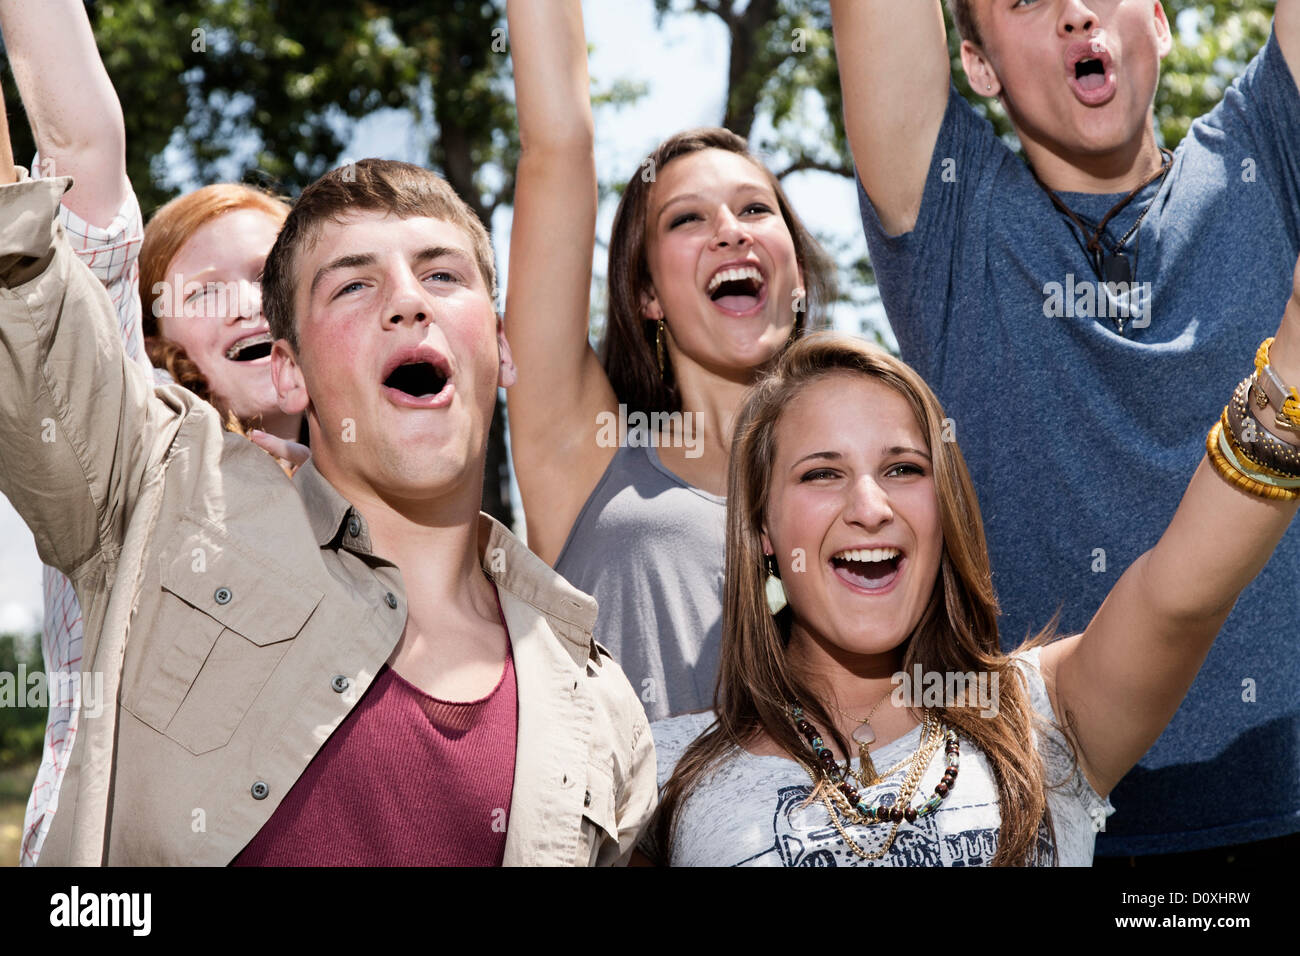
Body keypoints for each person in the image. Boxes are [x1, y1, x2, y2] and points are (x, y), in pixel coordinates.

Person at [0, 69, 655, 864]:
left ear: (502, 346)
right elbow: (20, 266)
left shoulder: (599, 703)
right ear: (289, 370)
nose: (409, 302)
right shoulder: (154, 489)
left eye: (443, 274)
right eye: (353, 285)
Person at [830, 0, 1300, 860]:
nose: (1077, 13)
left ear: (1158, 22)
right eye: (1027, 1)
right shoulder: (952, 217)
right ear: (978, 65)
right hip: (1060, 823)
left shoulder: (1266, 148)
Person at [643, 316, 1300, 866]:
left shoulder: (1044, 716)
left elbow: (1184, 593)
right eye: (822, 474)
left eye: (902, 468)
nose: (870, 506)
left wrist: (1292, 374)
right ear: (763, 526)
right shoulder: (658, 773)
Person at [1, 0, 310, 865]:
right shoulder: (126, 452)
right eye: (205, 289)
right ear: (152, 339)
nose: (250, 302)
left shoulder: (386, 508)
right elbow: (82, 151)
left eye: (272, 274)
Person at [505, 0, 835, 721]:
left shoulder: (863, 483)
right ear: (648, 293)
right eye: (688, 218)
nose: (729, 232)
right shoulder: (589, 455)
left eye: (755, 210)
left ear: (798, 275)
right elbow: (557, 147)